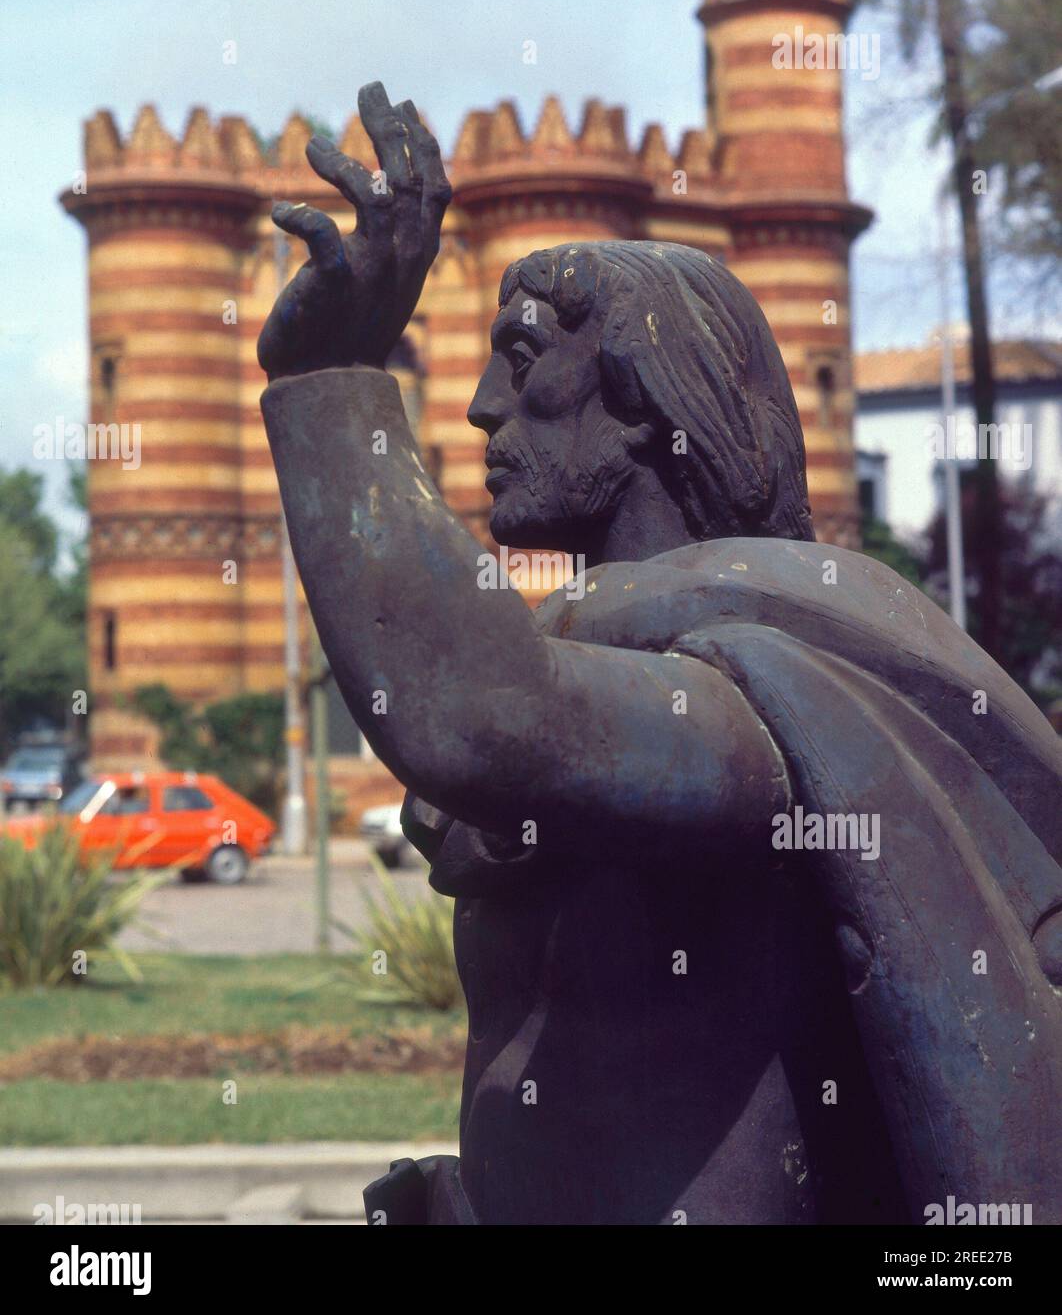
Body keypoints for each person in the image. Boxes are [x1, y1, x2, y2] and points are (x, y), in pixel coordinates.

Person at [259, 82, 1062, 1226]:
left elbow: (482, 716)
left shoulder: (747, 699)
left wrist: (333, 385)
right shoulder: (609, 663)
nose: (485, 408)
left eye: (526, 360)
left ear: (644, 400)